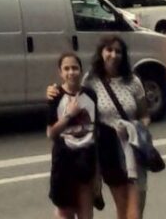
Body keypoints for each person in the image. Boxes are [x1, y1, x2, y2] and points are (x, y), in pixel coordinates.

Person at [49, 36, 151, 219]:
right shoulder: (91, 80)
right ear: (101, 53)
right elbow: (72, 90)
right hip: (108, 150)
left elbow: (144, 115)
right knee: (122, 206)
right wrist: (53, 90)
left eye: (118, 51)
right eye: (109, 50)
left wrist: (137, 129)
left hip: (132, 147)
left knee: (135, 210)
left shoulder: (133, 81)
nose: (114, 55)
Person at [47, 52, 98, 219]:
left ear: (81, 70)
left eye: (75, 68)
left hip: (86, 158)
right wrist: (69, 115)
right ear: (60, 72)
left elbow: (95, 129)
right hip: (64, 161)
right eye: (66, 69)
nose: (71, 72)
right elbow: (51, 133)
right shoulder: (55, 96)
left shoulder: (90, 95)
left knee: (86, 212)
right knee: (64, 212)